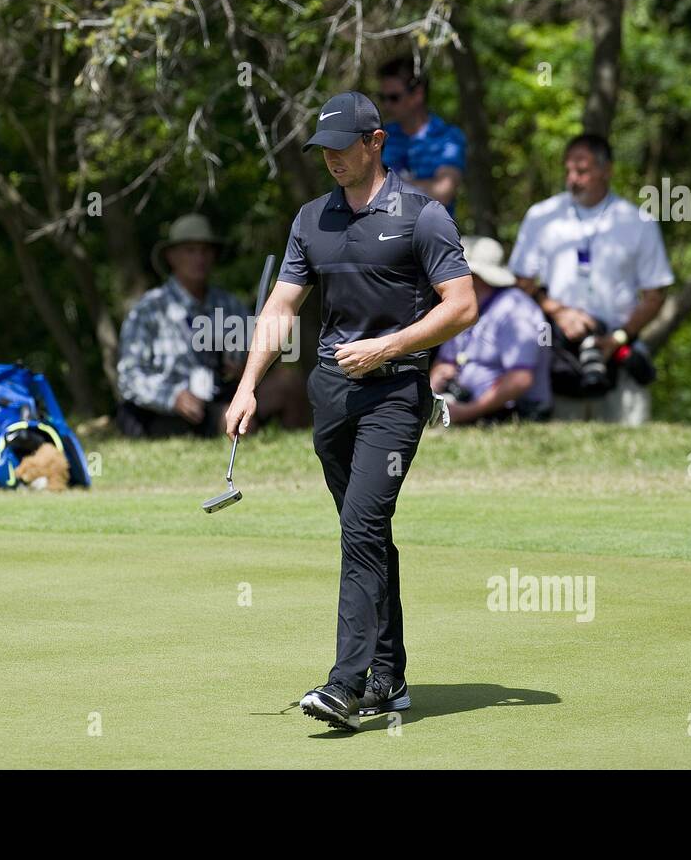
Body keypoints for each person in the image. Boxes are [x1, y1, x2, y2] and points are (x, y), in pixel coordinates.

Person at [223, 91, 477, 731]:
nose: (332, 159)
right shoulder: (312, 220)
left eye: (343, 147)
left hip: (395, 392)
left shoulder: (424, 216)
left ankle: (346, 684)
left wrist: (388, 346)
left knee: (362, 528)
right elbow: (281, 308)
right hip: (331, 394)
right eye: (324, 150)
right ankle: (390, 679)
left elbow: (462, 306)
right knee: (366, 535)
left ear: (376, 141)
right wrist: (249, 383)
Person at [508, 133, 673, 425]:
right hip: (557, 353)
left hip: (619, 350)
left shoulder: (637, 222)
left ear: (606, 170)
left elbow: (655, 294)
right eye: (568, 170)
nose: (573, 178)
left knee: (628, 448)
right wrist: (559, 313)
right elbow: (521, 279)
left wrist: (617, 339)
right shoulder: (542, 215)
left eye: (582, 171)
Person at [116, 213, 308, 438]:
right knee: (235, 422)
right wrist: (172, 397)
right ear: (171, 257)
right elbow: (129, 376)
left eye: (205, 250)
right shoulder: (149, 309)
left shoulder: (230, 304)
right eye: (190, 250)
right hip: (172, 412)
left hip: (224, 395)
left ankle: (298, 447)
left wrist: (246, 369)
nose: (200, 258)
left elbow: (255, 353)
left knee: (290, 383)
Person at [430, 236, 552, 424]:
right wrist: (437, 380)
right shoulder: (462, 307)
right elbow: (446, 362)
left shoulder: (516, 310)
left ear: (475, 276)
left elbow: (520, 379)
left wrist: (467, 412)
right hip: (466, 406)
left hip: (510, 414)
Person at [376, 57, 467, 214]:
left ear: (418, 95)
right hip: (383, 233)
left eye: (394, 98)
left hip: (433, 235)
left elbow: (443, 193)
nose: (386, 105)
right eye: (383, 98)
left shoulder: (448, 137)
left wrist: (387, 185)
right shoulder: (381, 136)